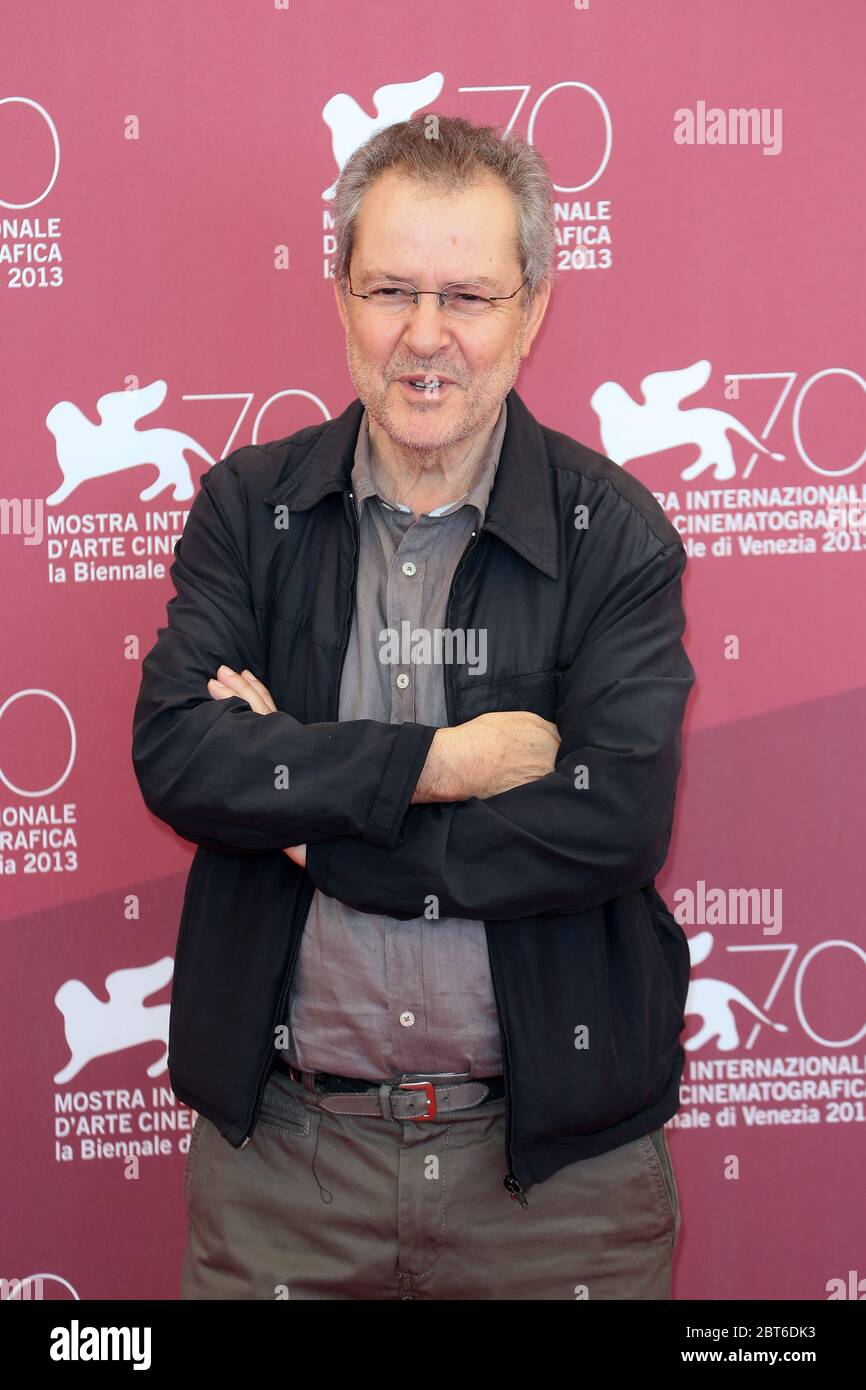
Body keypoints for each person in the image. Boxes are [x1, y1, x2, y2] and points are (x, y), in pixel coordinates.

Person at [132, 114, 695, 1300]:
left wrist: (318, 828)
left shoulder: (611, 534)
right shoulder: (247, 510)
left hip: (555, 1190)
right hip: (286, 1171)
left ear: (531, 310)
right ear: (339, 295)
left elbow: (610, 822)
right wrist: (442, 764)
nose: (424, 335)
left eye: (467, 296)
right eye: (390, 289)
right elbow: (181, 753)